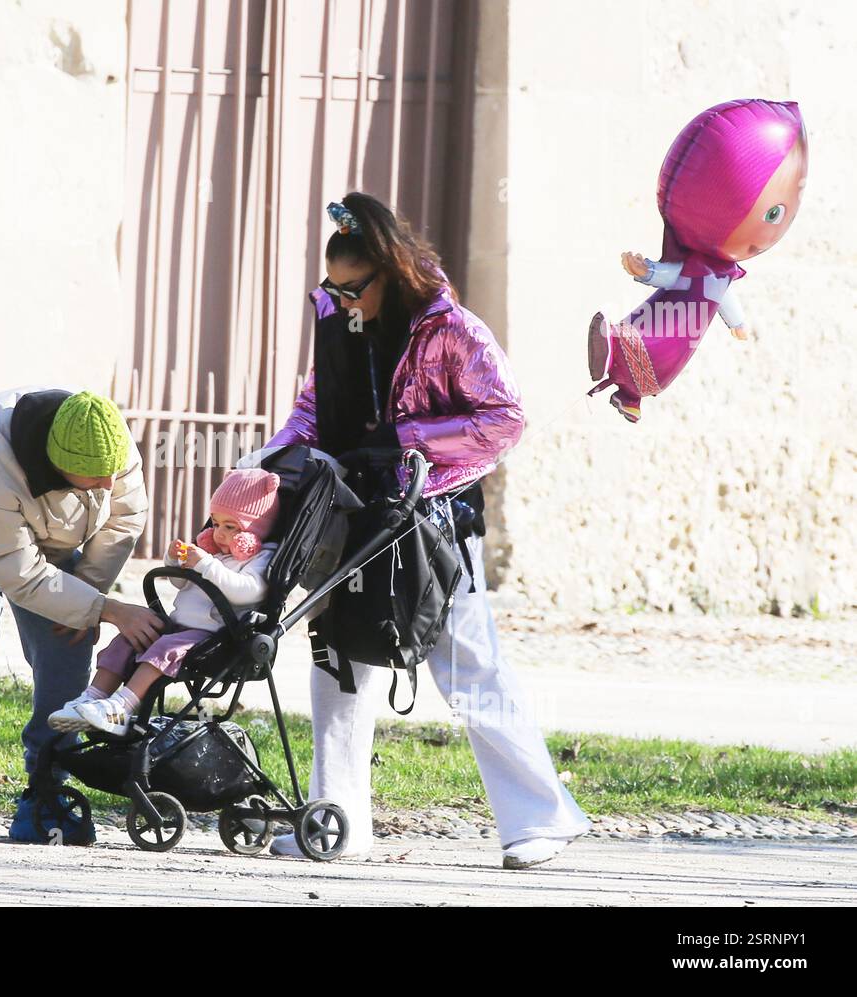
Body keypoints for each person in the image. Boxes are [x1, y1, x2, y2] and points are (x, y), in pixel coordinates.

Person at [265, 192, 591, 868]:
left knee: (468, 666)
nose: (344, 300)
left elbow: (504, 417)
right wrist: (268, 460)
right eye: (333, 289)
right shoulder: (343, 325)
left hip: (433, 523)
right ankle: (338, 822)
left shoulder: (453, 329)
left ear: (388, 271)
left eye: (354, 288)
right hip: (352, 516)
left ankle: (542, 816)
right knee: (338, 663)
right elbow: (313, 406)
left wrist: (408, 440)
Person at [0, 387, 164, 843]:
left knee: (70, 637)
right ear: (57, 462)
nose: (108, 484)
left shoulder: (109, 442)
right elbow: (19, 573)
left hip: (46, 531)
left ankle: (45, 787)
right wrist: (107, 609)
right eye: (95, 476)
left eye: (112, 473)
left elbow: (124, 518)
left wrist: (88, 594)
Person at [48, 468, 281, 736]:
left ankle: (122, 706)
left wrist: (205, 565)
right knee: (129, 638)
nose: (219, 534)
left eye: (231, 527)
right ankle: (91, 697)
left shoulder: (259, 559)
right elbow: (180, 584)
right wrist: (176, 561)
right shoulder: (214, 553)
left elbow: (247, 592)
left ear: (254, 531)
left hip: (214, 636)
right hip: (179, 625)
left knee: (164, 648)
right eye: (215, 524)